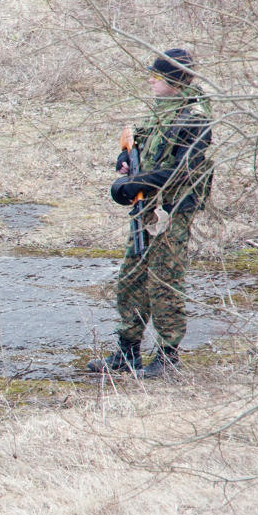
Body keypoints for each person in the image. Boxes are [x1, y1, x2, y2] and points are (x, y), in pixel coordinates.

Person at [89, 49, 213, 378]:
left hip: (173, 208)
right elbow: (145, 139)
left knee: (164, 281)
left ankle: (167, 356)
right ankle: (127, 352)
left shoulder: (195, 116)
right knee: (131, 276)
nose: (149, 80)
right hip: (149, 206)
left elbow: (186, 170)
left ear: (173, 81)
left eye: (155, 76)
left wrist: (138, 182)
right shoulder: (164, 108)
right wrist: (126, 158)